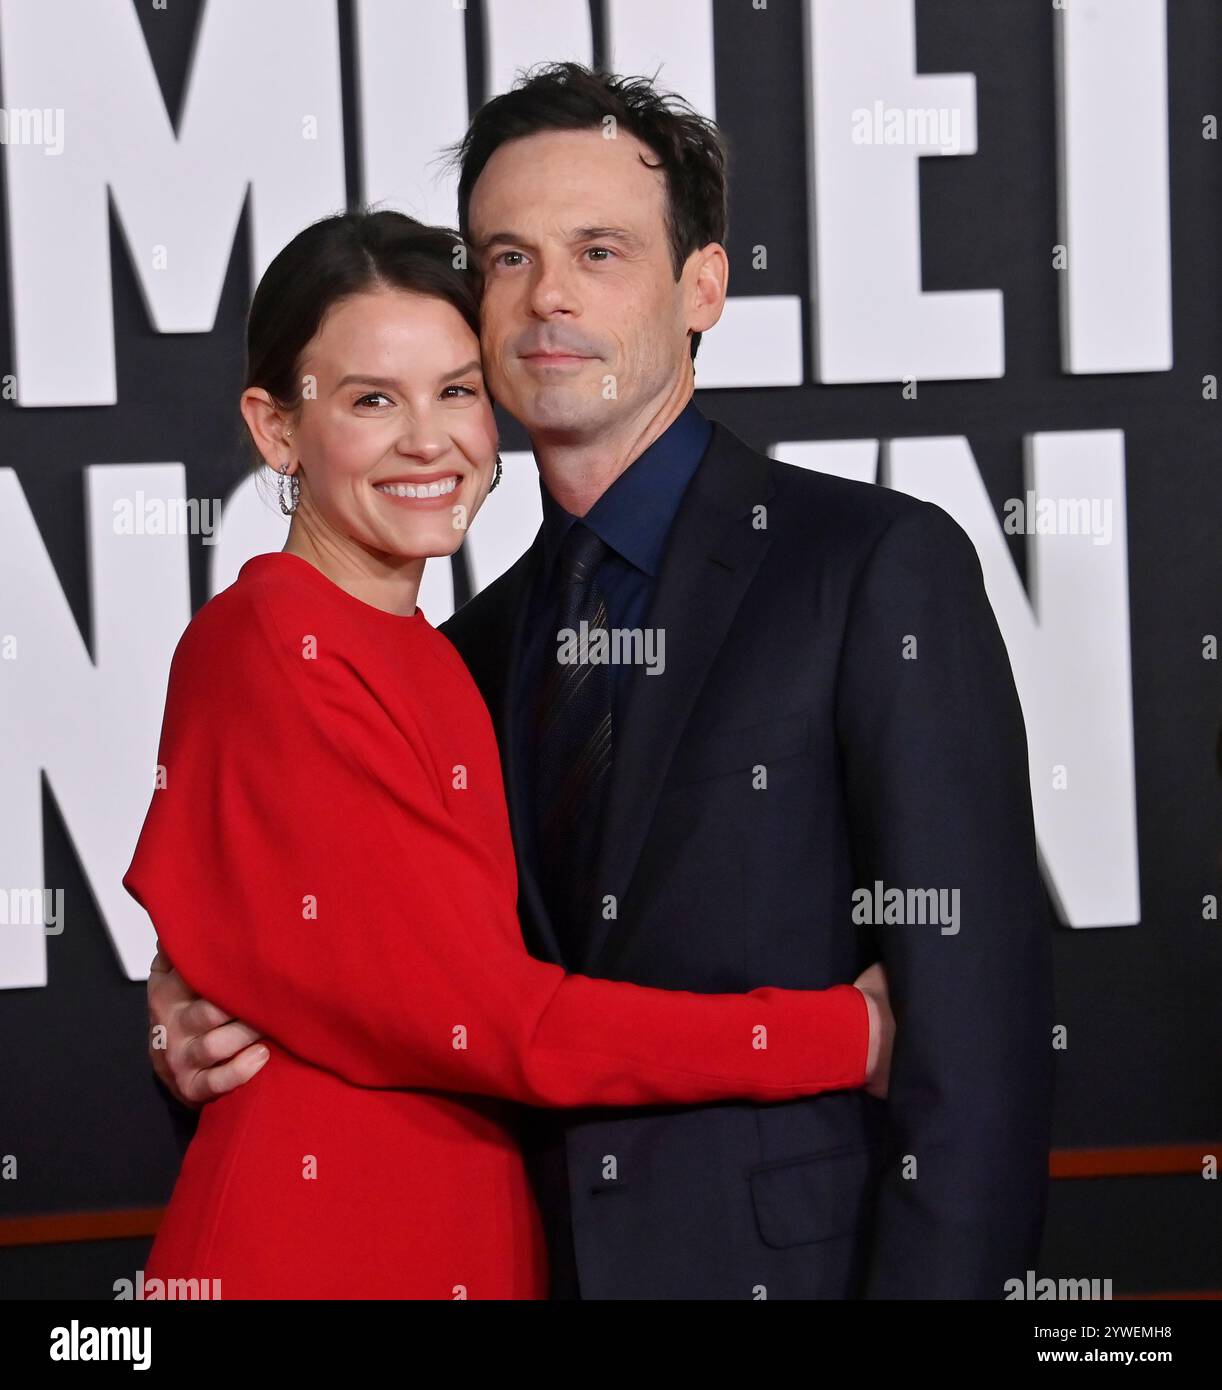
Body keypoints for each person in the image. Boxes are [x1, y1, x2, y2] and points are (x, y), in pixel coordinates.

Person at [149, 63, 1055, 1301]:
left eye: (599, 251)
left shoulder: (873, 571)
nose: (547, 297)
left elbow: (975, 1042)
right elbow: (415, 996)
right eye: (507, 258)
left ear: (703, 286)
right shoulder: (460, 652)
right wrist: (185, 1015)